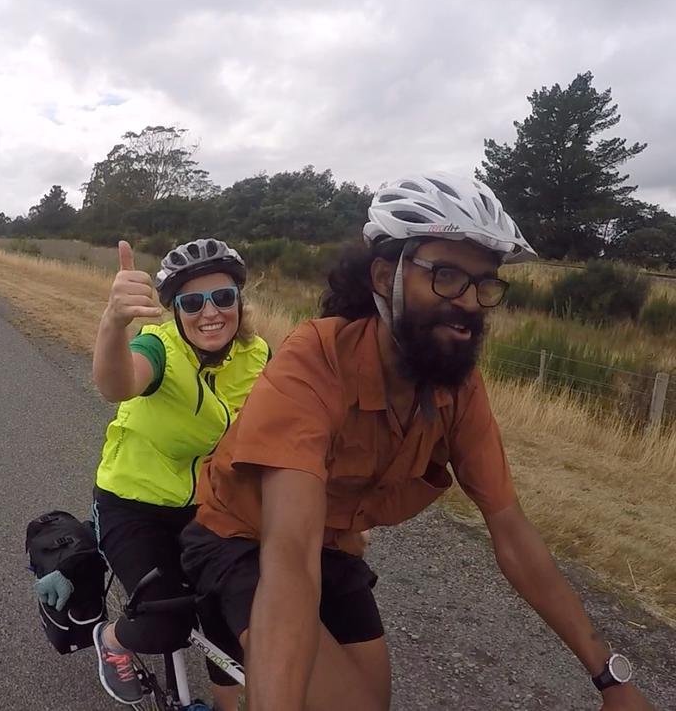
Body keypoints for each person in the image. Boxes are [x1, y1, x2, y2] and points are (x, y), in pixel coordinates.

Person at [180, 172, 655, 711]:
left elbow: (510, 526)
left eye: (485, 283)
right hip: (239, 541)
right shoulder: (314, 362)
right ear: (386, 276)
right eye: (447, 275)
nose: (471, 302)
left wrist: (611, 678)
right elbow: (287, 555)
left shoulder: (456, 386)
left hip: (332, 546)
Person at [90, 238, 269, 708]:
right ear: (176, 311)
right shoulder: (161, 348)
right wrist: (113, 322)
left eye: (223, 297)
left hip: (209, 507)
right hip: (132, 504)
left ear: (238, 301)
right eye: (192, 302)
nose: (210, 312)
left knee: (231, 615)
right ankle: (112, 640)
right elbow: (117, 383)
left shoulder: (258, 357)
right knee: (164, 621)